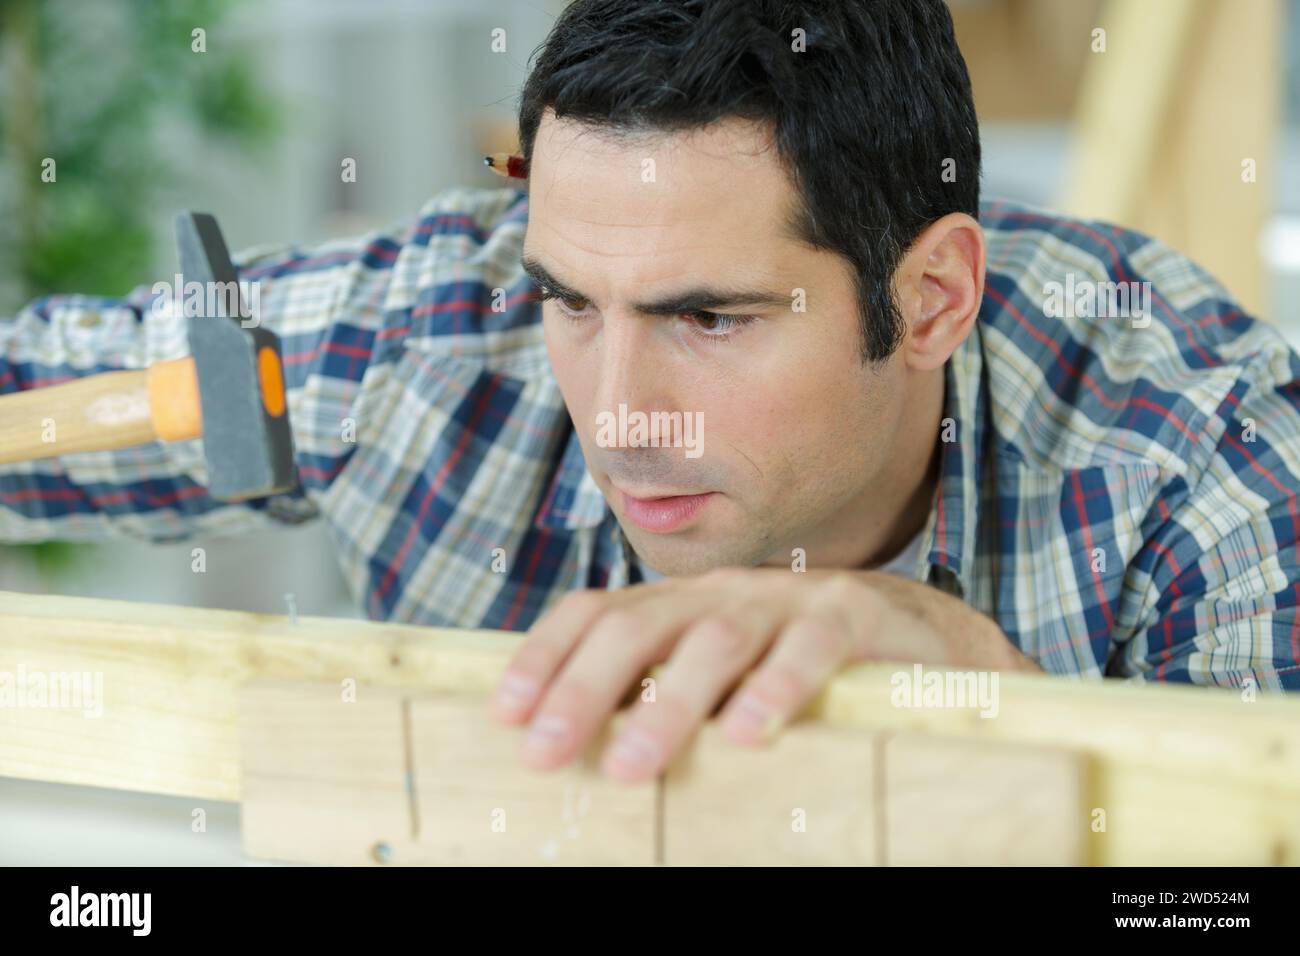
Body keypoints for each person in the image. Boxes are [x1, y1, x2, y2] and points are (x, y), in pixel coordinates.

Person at [3, 1, 1297, 785]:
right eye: (571, 299)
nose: (614, 418)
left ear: (933, 300)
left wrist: (995, 686)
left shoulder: (1205, 458)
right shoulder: (422, 343)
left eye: (707, 318)